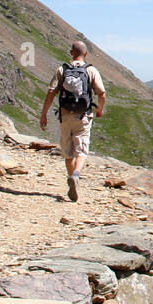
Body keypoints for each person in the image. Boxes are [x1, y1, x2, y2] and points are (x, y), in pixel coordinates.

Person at [39, 41, 105, 201]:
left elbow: (51, 92)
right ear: (86, 54)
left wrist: (44, 113)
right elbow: (101, 93)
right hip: (83, 115)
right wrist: (99, 110)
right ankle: (76, 175)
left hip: (65, 115)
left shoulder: (62, 70)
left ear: (71, 53)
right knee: (81, 150)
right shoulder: (90, 70)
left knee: (67, 151)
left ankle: (71, 178)